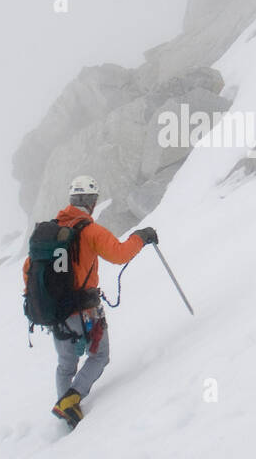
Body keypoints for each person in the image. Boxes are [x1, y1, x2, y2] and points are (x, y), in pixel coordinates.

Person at [23, 175, 157, 426]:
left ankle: (67, 415)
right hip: (85, 310)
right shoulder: (90, 230)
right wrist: (141, 236)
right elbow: (119, 254)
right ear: (92, 202)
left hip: (57, 312)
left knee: (65, 366)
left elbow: (28, 270)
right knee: (99, 356)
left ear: (72, 199)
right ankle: (70, 400)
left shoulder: (49, 233)